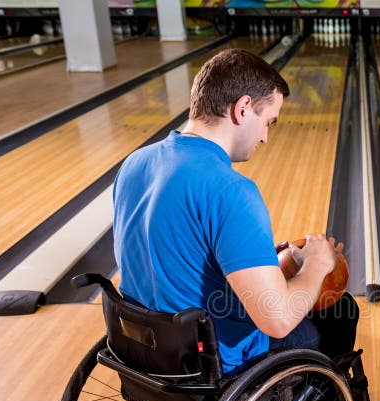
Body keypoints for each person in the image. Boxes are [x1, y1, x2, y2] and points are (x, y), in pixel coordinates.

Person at [113, 48, 356, 373]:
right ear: (242, 108)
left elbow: (180, 256)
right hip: (211, 363)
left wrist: (269, 259)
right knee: (339, 315)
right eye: (268, 121)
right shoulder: (232, 192)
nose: (265, 137)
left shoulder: (135, 163)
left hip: (146, 351)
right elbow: (278, 320)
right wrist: (316, 265)